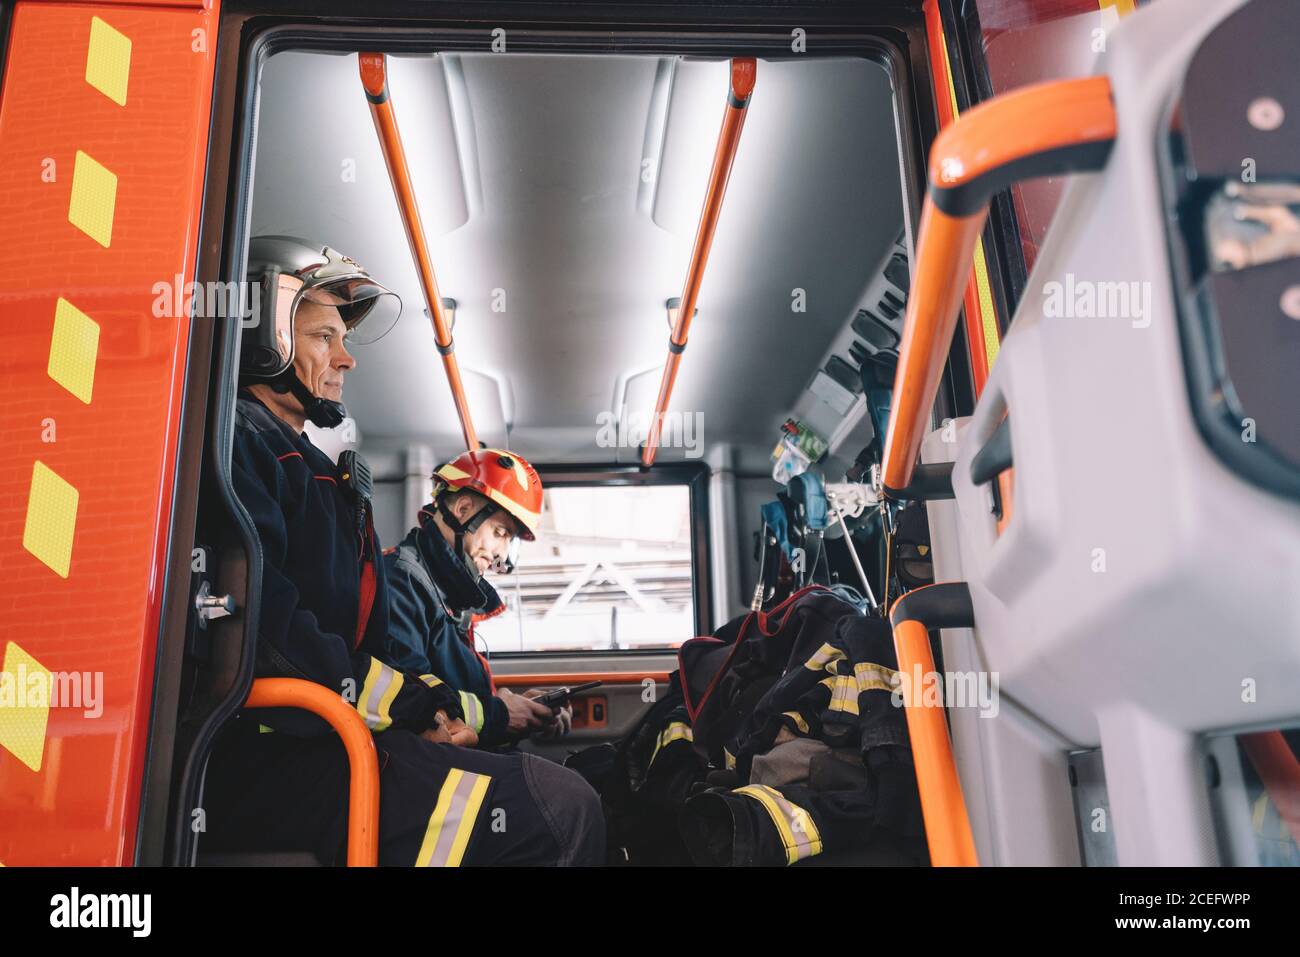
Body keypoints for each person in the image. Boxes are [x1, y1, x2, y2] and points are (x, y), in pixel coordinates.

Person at [202, 235, 603, 866]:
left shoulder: (303, 464)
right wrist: (431, 711)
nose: (346, 359)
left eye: (345, 340)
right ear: (263, 341)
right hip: (278, 756)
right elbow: (267, 632)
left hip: (326, 739)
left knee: (576, 787)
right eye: (322, 338)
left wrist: (431, 709)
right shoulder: (238, 448)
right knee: (560, 810)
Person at [384, 450, 571, 748]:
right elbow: (411, 700)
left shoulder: (448, 594)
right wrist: (499, 713)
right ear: (463, 508)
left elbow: (453, 692)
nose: (502, 554)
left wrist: (514, 705)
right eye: (500, 532)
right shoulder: (401, 580)